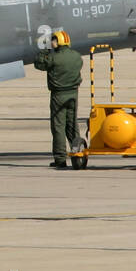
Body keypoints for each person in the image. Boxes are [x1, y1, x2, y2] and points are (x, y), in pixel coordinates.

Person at [33, 30, 82, 169]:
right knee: (72, 125)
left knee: (58, 127)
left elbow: (39, 64)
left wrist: (45, 50)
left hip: (58, 95)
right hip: (73, 94)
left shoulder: (54, 58)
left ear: (58, 41)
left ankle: (60, 158)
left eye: (54, 40)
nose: (52, 42)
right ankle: (78, 153)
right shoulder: (77, 56)